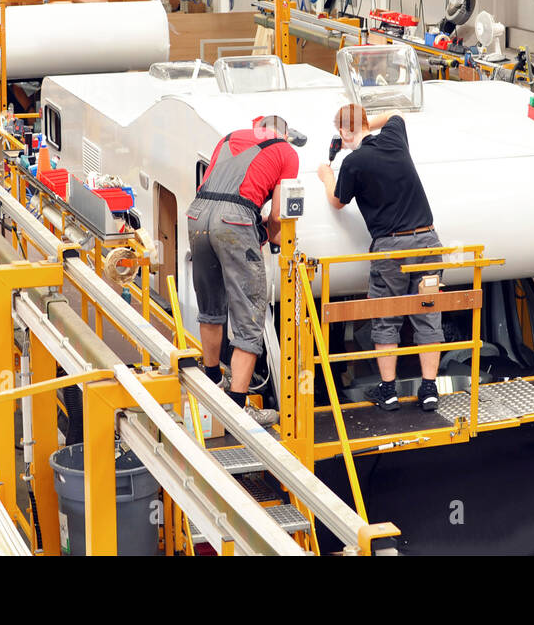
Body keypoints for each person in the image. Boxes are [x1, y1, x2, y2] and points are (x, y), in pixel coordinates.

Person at [317, 104, 442, 413]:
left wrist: (326, 177)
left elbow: (337, 201)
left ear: (345, 133)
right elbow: (396, 112)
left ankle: (388, 391)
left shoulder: (353, 162)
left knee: (386, 316)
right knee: (428, 312)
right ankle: (429, 389)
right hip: (427, 244)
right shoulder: (394, 138)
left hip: (391, 251)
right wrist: (363, 123)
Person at [188, 115, 301, 425]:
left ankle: (212, 378)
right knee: (249, 317)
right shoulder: (287, 152)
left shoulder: (227, 137)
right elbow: (278, 213)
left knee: (211, 304)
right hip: (234, 221)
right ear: (285, 134)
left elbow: (219, 185)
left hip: (197, 214)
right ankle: (238, 408)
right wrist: (274, 234)